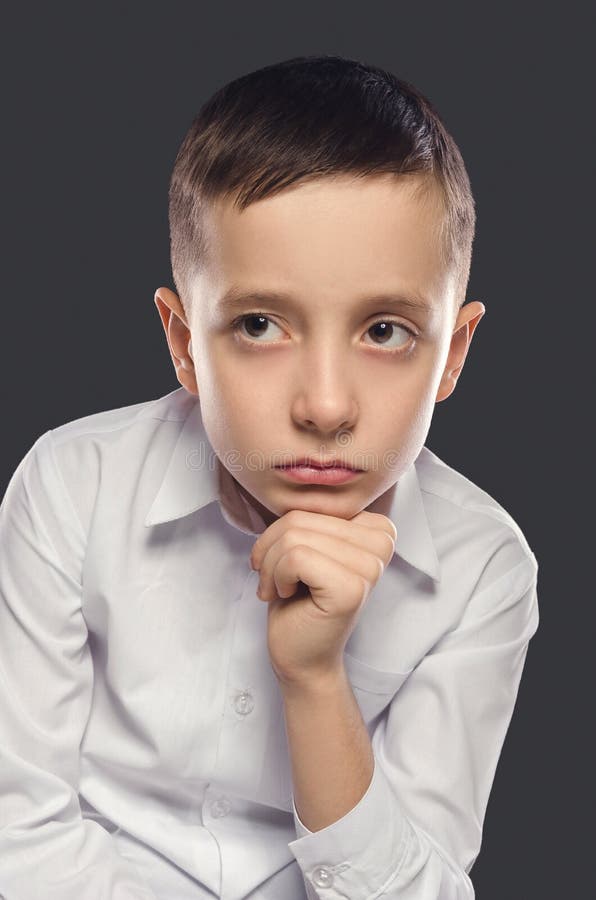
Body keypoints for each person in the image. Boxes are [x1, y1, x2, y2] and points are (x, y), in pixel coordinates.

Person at [0, 54, 539, 900]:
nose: (325, 406)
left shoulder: (483, 571)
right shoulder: (73, 487)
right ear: (184, 343)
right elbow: (18, 836)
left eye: (386, 331)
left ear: (453, 354)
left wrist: (315, 680)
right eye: (258, 324)